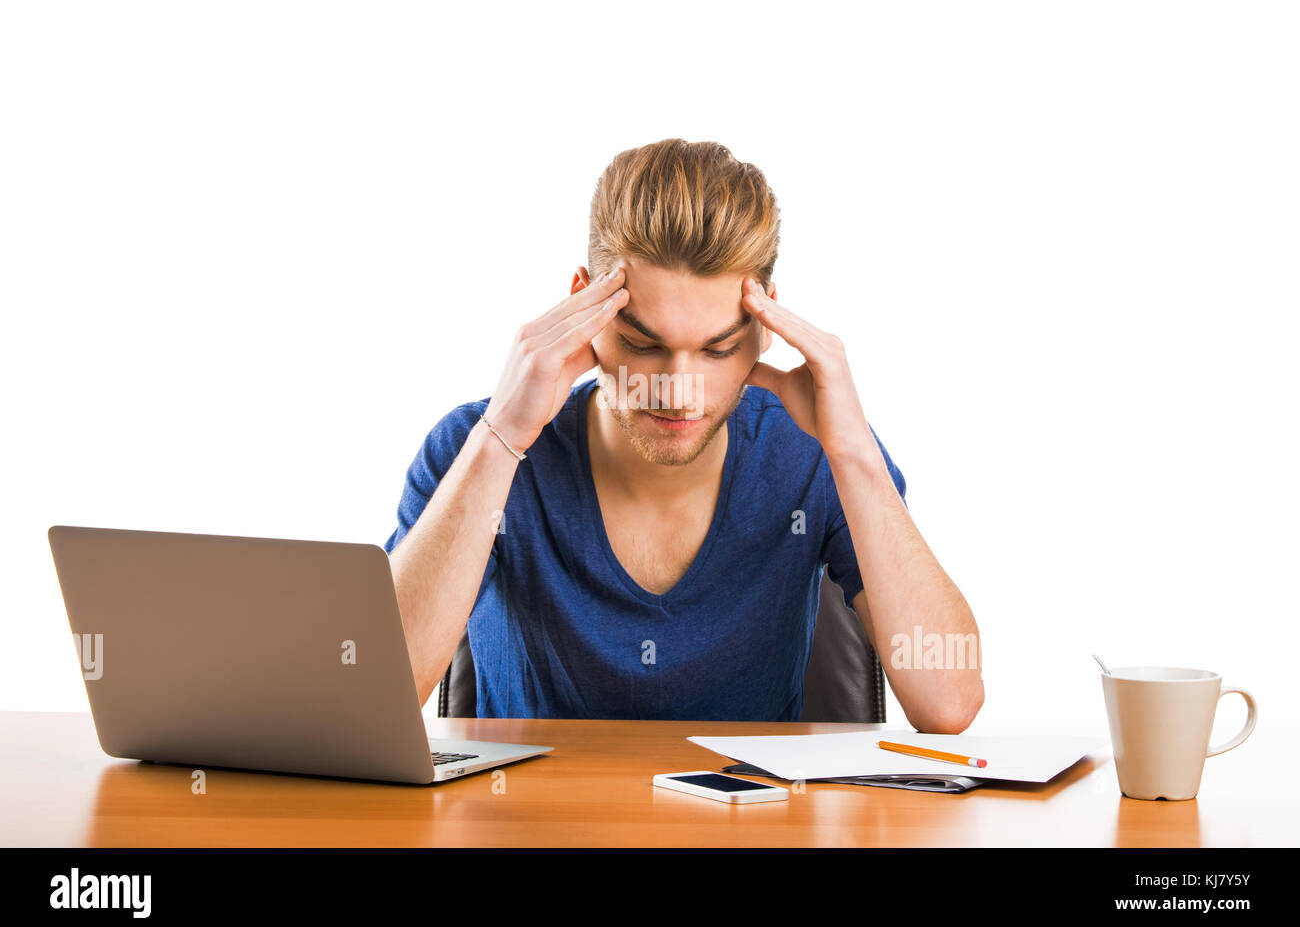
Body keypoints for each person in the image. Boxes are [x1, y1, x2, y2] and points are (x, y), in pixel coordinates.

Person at [384, 138, 983, 730]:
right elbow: (380, 696)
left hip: (748, 825)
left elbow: (949, 704)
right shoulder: (477, 445)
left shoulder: (812, 456)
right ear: (580, 306)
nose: (678, 389)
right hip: (529, 827)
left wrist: (854, 454)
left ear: (766, 323)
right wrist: (501, 439)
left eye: (718, 349)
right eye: (644, 345)